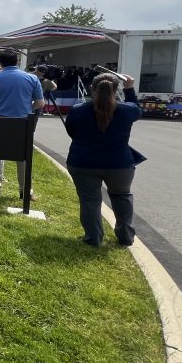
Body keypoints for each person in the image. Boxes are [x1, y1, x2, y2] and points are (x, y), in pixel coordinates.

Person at [65, 73, 141, 246]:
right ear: (116, 90)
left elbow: (72, 132)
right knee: (122, 197)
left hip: (83, 162)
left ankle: (93, 238)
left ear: (92, 88)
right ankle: (126, 236)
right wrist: (129, 89)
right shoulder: (127, 110)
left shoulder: (78, 110)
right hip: (119, 164)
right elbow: (137, 109)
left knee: (89, 201)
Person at [0, 49, 45, 200]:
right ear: (17, 61)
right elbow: (40, 103)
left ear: (0, 62)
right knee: (23, 157)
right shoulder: (32, 78)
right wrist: (27, 108)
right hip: (22, 121)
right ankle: (25, 191)